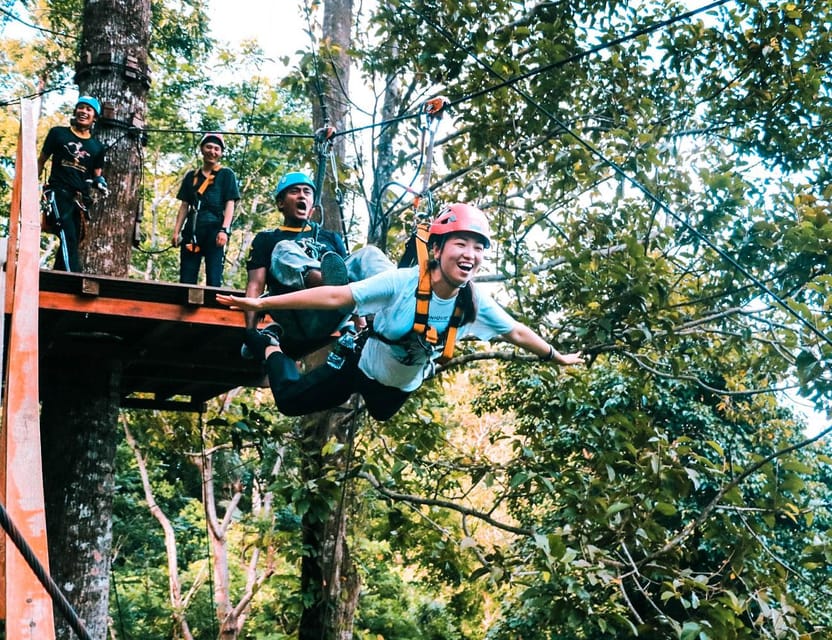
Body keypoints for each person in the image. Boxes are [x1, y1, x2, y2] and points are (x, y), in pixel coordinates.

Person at [218, 203, 585, 421]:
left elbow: (516, 332)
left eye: (478, 248)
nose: (470, 254)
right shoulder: (402, 283)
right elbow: (336, 296)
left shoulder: (474, 303)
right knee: (289, 401)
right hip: (360, 366)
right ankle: (270, 344)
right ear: (437, 250)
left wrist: (557, 357)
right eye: (461, 243)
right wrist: (262, 304)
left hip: (397, 387)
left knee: (381, 413)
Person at [242, 171, 390, 356]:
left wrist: (361, 328)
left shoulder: (331, 238)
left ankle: (399, 296)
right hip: (295, 315)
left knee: (369, 254)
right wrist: (250, 332)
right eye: (294, 191)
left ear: (312, 204)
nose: (302, 195)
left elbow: (348, 271)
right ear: (281, 203)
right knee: (283, 249)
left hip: (331, 314)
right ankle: (326, 282)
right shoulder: (267, 239)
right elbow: (255, 285)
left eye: (307, 192)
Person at [38, 95, 108, 272]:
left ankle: (58, 277)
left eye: (88, 109)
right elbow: (41, 160)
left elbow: (97, 175)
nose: (83, 111)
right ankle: (74, 276)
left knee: (74, 237)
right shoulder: (58, 134)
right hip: (57, 191)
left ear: (95, 117)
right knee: (67, 231)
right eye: (81, 107)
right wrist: (31, 186)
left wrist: (100, 183)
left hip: (78, 199)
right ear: (75, 110)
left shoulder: (97, 147)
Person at [172, 132, 240, 287]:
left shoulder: (226, 175)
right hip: (192, 231)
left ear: (221, 153)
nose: (212, 151)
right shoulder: (191, 176)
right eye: (209, 147)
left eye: (216, 149)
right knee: (186, 278)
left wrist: (224, 230)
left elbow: (230, 203)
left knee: (214, 278)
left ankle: (213, 303)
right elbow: (184, 205)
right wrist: (176, 231)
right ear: (202, 149)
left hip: (214, 231)